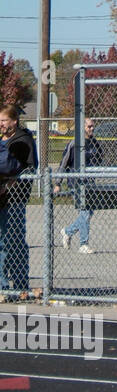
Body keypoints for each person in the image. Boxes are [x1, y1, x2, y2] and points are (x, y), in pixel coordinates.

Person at [0, 106, 38, 300]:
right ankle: (5, 286)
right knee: (3, 243)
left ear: (14, 121)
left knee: (14, 242)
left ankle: (20, 285)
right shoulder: (3, 141)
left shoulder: (23, 140)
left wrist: (10, 183)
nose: (1, 124)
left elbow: (28, 169)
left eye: (4, 120)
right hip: (2, 200)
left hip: (15, 198)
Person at [57, 117, 103, 253]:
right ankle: (83, 244)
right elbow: (63, 163)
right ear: (82, 127)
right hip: (76, 183)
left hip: (90, 183)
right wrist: (58, 183)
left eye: (93, 126)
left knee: (88, 212)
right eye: (89, 126)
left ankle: (68, 231)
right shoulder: (74, 143)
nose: (92, 128)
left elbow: (100, 159)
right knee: (85, 211)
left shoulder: (94, 143)